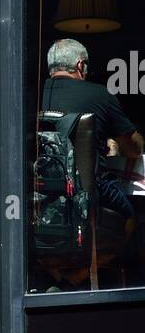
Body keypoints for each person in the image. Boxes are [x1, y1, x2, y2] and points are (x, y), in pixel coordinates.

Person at [42, 38, 143, 218]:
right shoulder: (101, 95)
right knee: (132, 216)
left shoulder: (29, 96)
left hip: (40, 191)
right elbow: (134, 149)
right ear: (80, 65)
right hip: (88, 194)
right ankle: (114, 245)